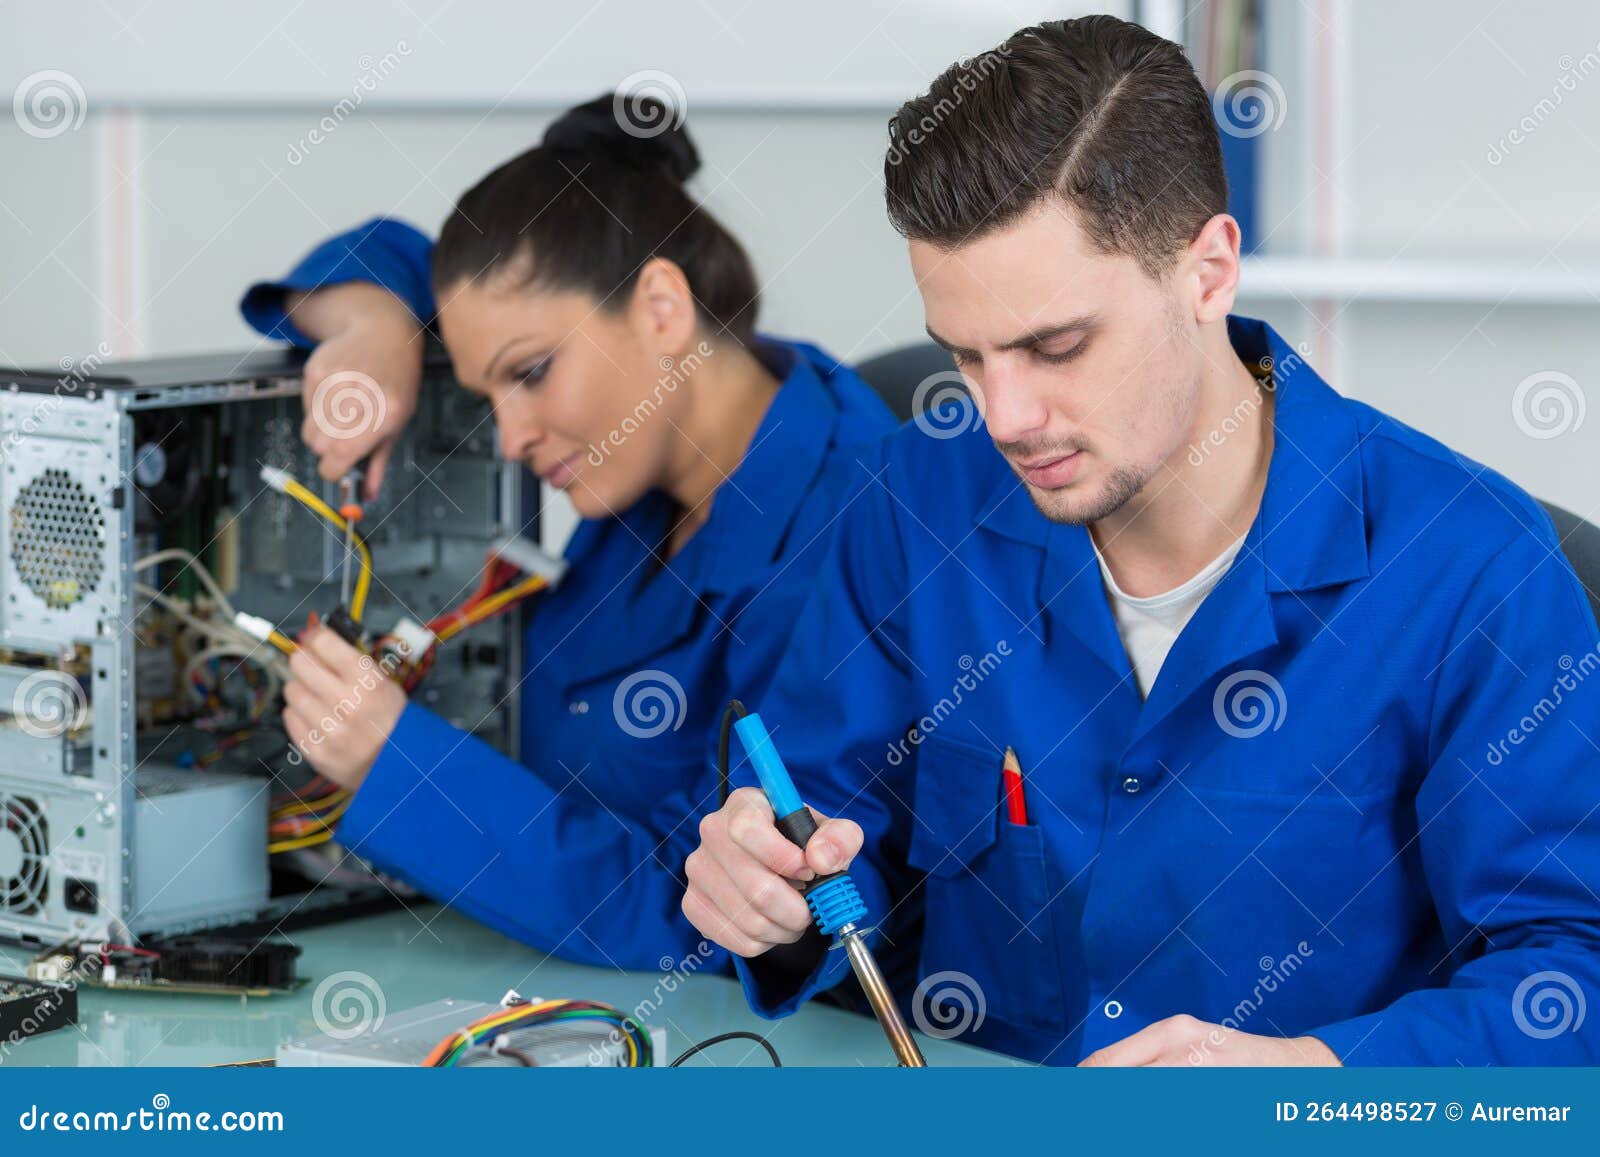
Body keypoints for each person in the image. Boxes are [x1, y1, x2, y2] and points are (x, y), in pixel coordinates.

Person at [681, 16, 1600, 1065]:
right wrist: (770, 884)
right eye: (968, 357)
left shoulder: (1473, 570)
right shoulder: (912, 506)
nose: (1005, 416)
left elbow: (1572, 971)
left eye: (1055, 345)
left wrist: (1314, 1076)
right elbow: (822, 818)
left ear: (1207, 271)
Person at [239, 94, 895, 969]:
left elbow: (710, 919)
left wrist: (401, 764)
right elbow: (390, 253)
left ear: (663, 309)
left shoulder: (851, 529)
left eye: (531, 373)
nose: (509, 439)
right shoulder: (656, 464)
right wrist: (376, 325)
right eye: (487, 395)